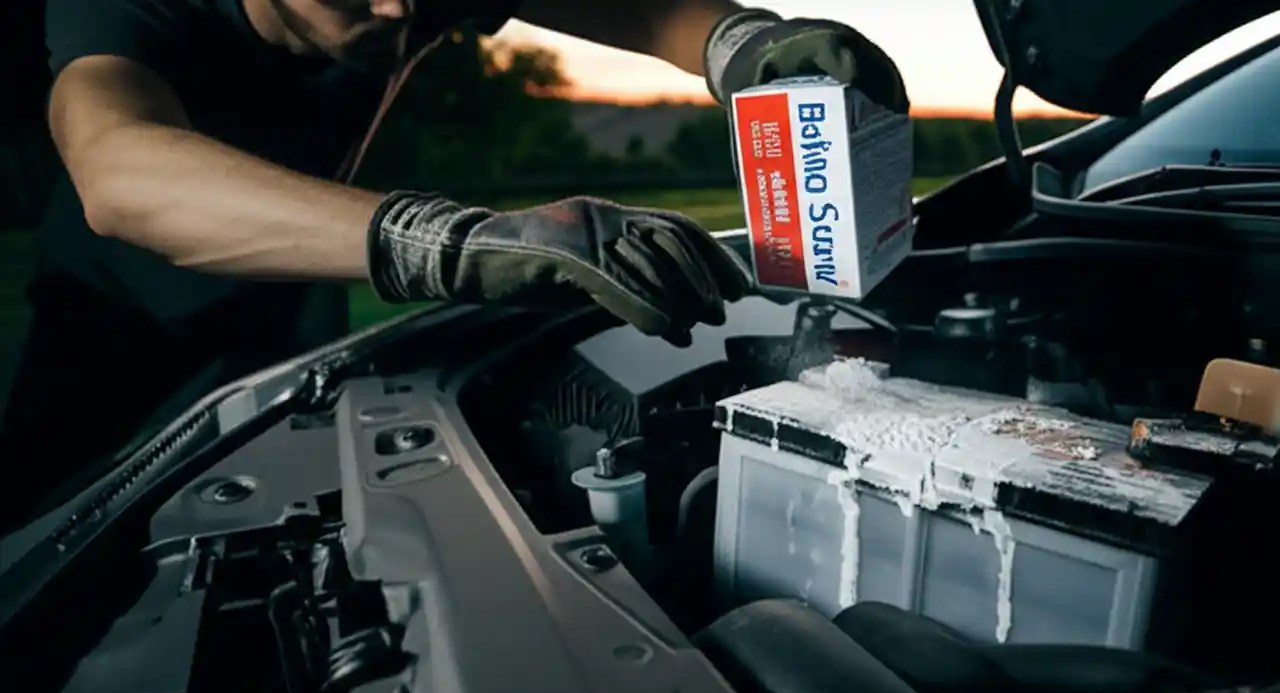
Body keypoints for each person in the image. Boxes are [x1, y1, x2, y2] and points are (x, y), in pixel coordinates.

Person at [0, 0, 908, 530]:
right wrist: (453, 245)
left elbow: (637, 8)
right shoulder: (126, 7)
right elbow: (117, 171)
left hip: (293, 287)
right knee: (53, 540)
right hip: (110, 324)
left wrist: (742, 42)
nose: (401, 13)